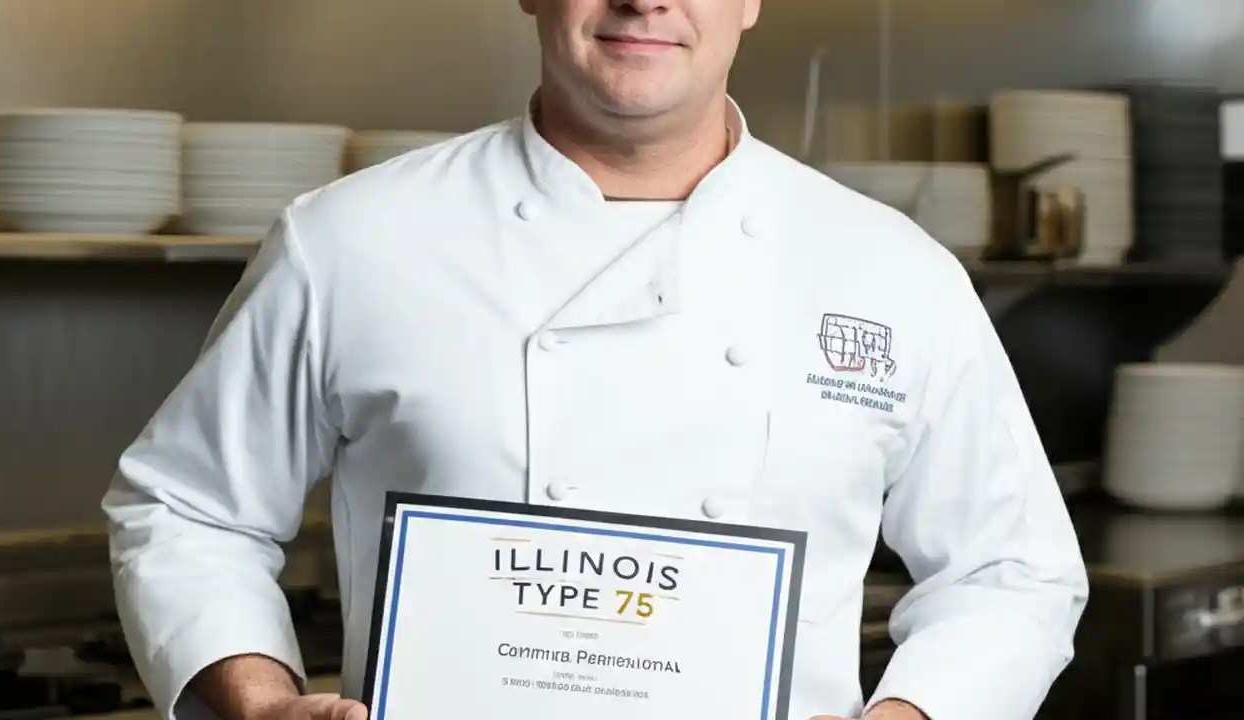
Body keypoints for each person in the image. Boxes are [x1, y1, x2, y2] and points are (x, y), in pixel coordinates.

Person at [102, 1, 1089, 719]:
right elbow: (188, 508)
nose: (643, 0)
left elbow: (1011, 570)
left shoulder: (886, 268)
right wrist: (256, 696)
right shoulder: (352, 240)